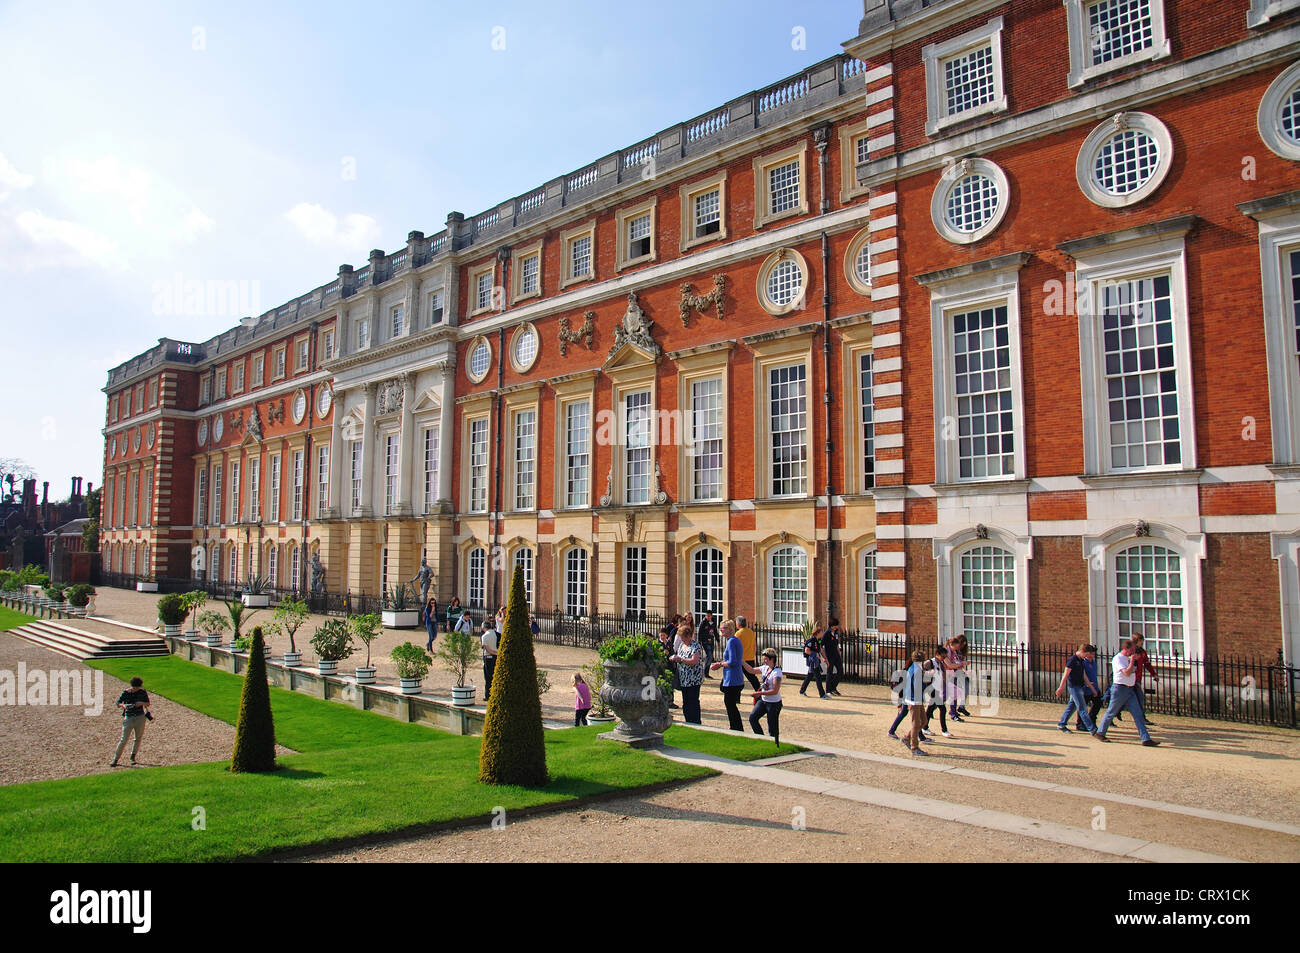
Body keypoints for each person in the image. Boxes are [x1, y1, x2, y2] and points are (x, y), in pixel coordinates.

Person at [1094, 639, 1159, 746]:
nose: (1133, 652)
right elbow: (1127, 673)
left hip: (1130, 688)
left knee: (1138, 714)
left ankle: (1145, 738)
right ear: (1126, 649)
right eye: (1132, 650)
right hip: (1120, 689)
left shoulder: (1128, 658)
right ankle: (1100, 732)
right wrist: (1132, 661)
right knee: (1111, 712)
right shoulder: (1118, 659)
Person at [1056, 643, 1099, 735]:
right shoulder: (1072, 660)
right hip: (1074, 687)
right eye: (1087, 654)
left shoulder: (1081, 660)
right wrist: (1061, 687)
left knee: (1072, 706)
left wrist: (1092, 689)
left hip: (1079, 686)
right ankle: (1092, 729)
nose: (1087, 656)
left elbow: (1084, 676)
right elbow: (1066, 674)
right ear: (1083, 651)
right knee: (1082, 708)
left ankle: (1062, 724)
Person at [711, 619, 746, 731]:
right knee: (731, 705)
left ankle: (736, 728)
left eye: (724, 628)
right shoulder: (734, 640)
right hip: (733, 678)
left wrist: (719, 664)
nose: (721, 630)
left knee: (730, 705)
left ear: (730, 629)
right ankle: (736, 727)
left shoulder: (731, 641)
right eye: (721, 627)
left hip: (733, 678)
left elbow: (732, 662)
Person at [111, 676, 151, 767]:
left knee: (138, 738)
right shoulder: (126, 692)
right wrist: (123, 706)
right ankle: (116, 759)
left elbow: (148, 703)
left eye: (137, 687)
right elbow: (118, 703)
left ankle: (133, 757)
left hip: (140, 717)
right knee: (123, 739)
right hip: (128, 717)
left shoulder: (142, 692)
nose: (136, 689)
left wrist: (141, 703)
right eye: (134, 687)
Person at [748, 648, 783, 746]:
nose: (764, 661)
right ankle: (761, 738)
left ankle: (775, 744)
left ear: (772, 659)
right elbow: (751, 670)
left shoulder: (777, 672)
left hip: (774, 703)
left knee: (772, 727)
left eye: (766, 659)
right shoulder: (764, 668)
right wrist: (742, 661)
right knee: (753, 718)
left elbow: (775, 691)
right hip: (764, 701)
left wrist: (760, 694)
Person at [671, 622, 705, 724]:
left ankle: (695, 721)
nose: (682, 640)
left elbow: (694, 661)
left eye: (684, 637)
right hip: (684, 678)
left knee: (693, 701)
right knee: (685, 701)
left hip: (693, 678)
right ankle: (688, 721)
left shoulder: (695, 645)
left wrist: (681, 659)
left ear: (689, 636)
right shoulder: (682, 645)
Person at [900, 650, 929, 756]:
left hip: (916, 699)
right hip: (914, 700)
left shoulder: (914, 668)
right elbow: (918, 686)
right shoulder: (916, 670)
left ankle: (906, 737)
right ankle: (914, 747)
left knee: (923, 721)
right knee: (916, 723)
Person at [1130, 632, 1159, 727]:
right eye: (1140, 641)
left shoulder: (1142, 652)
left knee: (1139, 699)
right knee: (1138, 698)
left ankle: (1141, 718)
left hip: (1137, 679)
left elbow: (1147, 664)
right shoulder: (1131, 651)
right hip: (1130, 679)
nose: (1142, 643)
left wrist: (1154, 674)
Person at [925, 644, 951, 737]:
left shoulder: (941, 664)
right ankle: (944, 730)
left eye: (945, 657)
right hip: (931, 688)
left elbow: (944, 676)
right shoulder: (929, 662)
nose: (944, 658)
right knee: (942, 709)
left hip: (937, 688)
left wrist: (945, 686)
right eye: (943, 656)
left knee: (930, 709)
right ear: (937, 654)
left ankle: (924, 727)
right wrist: (930, 673)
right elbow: (922, 673)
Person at [799, 624, 828, 698]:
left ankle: (802, 691)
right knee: (818, 677)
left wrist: (825, 658)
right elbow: (806, 651)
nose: (822, 634)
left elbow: (821, 650)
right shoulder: (811, 641)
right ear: (817, 633)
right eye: (821, 632)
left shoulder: (818, 641)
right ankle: (822, 694)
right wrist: (815, 654)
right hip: (813, 661)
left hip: (816, 661)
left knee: (810, 676)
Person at [735, 615, 762, 691]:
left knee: (738, 678)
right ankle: (759, 690)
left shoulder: (738, 633)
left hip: (741, 659)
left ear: (738, 624)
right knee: (752, 678)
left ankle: (737, 697)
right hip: (750, 658)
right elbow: (754, 645)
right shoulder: (751, 632)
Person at [946, 636, 968, 721]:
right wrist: (963, 664)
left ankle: (953, 713)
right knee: (943, 696)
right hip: (946, 675)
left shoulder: (953, 652)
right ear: (952, 644)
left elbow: (956, 663)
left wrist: (963, 669)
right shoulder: (946, 652)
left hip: (952, 674)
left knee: (953, 694)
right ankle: (953, 713)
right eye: (956, 646)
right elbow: (950, 665)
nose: (957, 648)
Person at [823, 617, 845, 696]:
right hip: (829, 655)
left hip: (836, 655)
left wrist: (839, 653)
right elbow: (821, 644)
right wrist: (824, 657)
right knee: (830, 672)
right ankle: (828, 690)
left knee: (840, 671)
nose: (837, 627)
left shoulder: (835, 633)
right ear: (831, 626)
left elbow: (836, 644)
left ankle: (833, 687)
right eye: (835, 626)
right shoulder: (826, 634)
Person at [656, 626, 677, 709]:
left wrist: (669, 654)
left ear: (666, 635)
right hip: (661, 666)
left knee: (670, 684)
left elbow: (672, 652)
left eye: (663, 635)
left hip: (669, 665)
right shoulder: (658, 644)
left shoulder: (669, 643)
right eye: (661, 635)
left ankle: (670, 701)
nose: (662, 637)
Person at [481, 618, 499, 702]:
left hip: (488, 657)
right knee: (494, 675)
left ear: (484, 628)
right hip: (495, 657)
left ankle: (488, 695)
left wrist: (495, 653)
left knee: (488, 677)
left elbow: (487, 649)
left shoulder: (484, 636)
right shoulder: (496, 634)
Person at [697, 610, 718, 678]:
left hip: (711, 641)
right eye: (706, 616)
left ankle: (706, 672)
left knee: (710, 657)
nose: (707, 617)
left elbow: (715, 631)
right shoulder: (703, 622)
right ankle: (705, 673)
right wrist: (699, 642)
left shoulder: (714, 622)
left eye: (709, 616)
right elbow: (699, 632)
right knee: (709, 656)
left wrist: (718, 640)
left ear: (711, 616)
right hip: (705, 641)